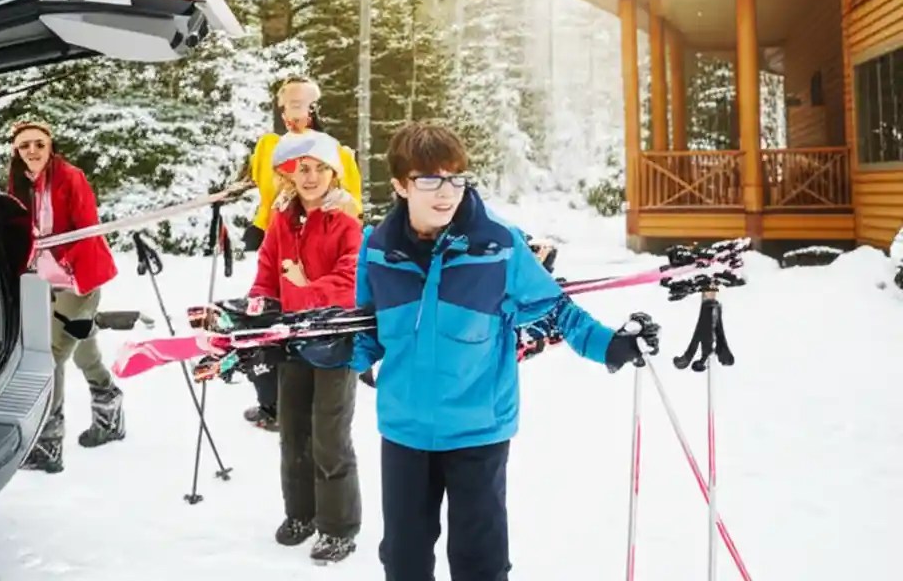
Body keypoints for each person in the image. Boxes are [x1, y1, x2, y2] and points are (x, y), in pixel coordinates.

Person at [349, 122, 661, 581]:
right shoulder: (377, 248)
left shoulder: (496, 243)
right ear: (399, 185)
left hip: (479, 426)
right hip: (405, 428)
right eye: (429, 180)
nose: (446, 192)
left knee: (480, 561)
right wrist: (339, 356)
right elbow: (368, 327)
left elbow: (553, 309)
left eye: (456, 178)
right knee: (404, 559)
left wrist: (608, 345)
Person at [247, 131, 363, 564]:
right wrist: (259, 303)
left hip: (335, 339)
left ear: (334, 173)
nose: (310, 176)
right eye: (301, 168)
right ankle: (301, 513)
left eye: (318, 168)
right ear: (288, 174)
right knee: (293, 430)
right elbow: (266, 269)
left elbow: (351, 280)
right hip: (291, 338)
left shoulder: (347, 222)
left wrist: (307, 288)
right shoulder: (282, 220)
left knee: (330, 436)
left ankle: (339, 527)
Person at [240, 76, 363, 432]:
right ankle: (274, 404)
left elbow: (349, 204)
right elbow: (262, 187)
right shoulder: (269, 146)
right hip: (282, 227)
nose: (293, 112)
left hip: (323, 247)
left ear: (315, 108)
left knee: (326, 433)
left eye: (301, 104)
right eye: (287, 105)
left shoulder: (335, 154)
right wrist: (259, 226)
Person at [7, 120, 126, 474]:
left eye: (39, 144)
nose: (32, 151)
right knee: (84, 349)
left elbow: (88, 228)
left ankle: (48, 443)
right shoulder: (19, 182)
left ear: (50, 146)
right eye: (25, 145)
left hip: (79, 279)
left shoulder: (70, 177)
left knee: (53, 355)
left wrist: (63, 261)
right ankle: (111, 414)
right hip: (44, 279)